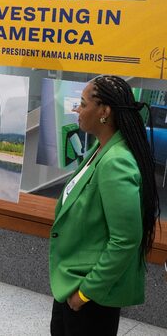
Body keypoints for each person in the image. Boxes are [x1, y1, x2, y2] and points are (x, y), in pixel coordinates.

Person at [49, 75, 160, 336]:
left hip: (90, 294)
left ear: (104, 112)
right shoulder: (101, 149)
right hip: (72, 281)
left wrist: (86, 293)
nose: (77, 109)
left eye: (83, 103)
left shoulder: (116, 162)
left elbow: (125, 239)